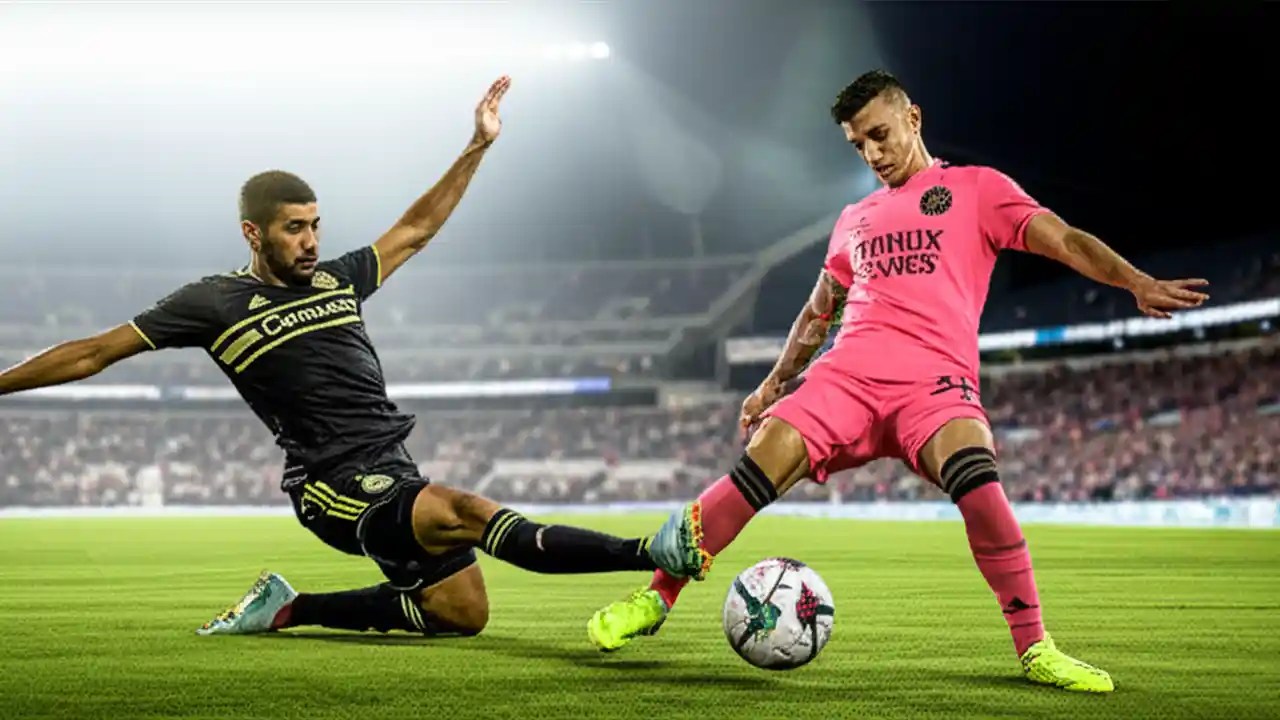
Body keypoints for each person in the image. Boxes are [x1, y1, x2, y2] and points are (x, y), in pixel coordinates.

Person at [585, 69, 1210, 693]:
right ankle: (656, 597)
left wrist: (1135, 281)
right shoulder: (855, 218)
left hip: (934, 384)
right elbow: (818, 311)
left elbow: (1066, 240)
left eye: (881, 135)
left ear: (913, 118)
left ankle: (1036, 647)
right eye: (859, 145)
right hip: (847, 375)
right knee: (758, 461)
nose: (873, 154)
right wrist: (773, 385)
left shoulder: (977, 191)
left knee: (980, 486)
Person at [0, 76, 660, 638]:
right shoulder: (214, 302)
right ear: (253, 233)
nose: (312, 240)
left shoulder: (337, 279)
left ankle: (288, 608)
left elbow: (418, 229)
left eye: (316, 224)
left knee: (462, 613)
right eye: (295, 228)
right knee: (467, 510)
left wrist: (477, 145)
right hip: (332, 484)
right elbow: (92, 352)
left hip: (395, 466)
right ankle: (650, 551)